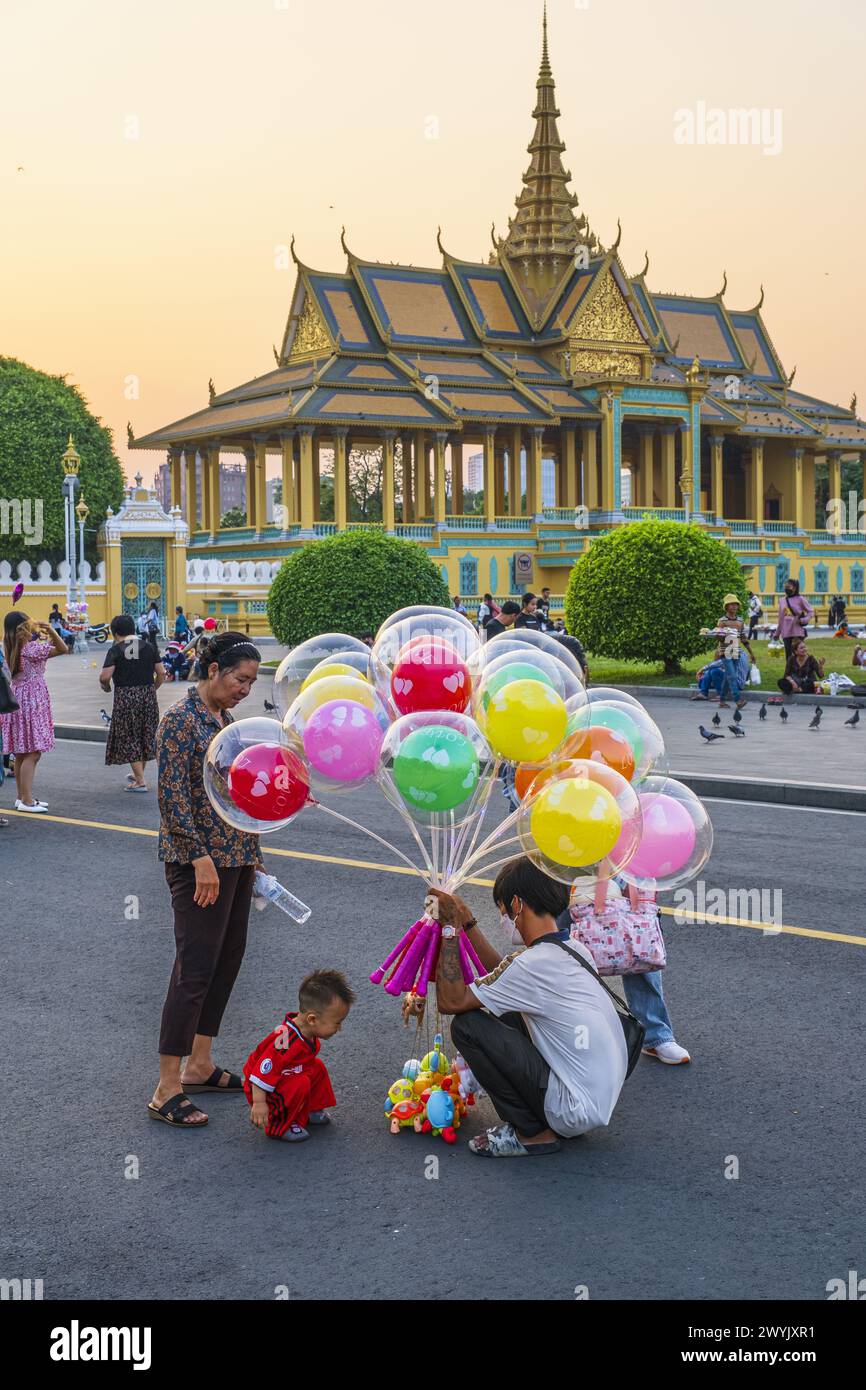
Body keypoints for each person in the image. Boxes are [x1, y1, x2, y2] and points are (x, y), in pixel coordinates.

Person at [434, 857, 628, 1158]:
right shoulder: (573, 948)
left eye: (503, 911)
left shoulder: (532, 966)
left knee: (467, 1026)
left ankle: (531, 1132)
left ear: (516, 904)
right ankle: (543, 1118)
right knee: (507, 1008)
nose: (504, 920)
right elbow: (506, 975)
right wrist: (469, 924)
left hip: (571, 1109)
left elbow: (451, 1002)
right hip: (596, 1100)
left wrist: (449, 930)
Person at [148, 631, 264, 1128]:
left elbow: (238, 794)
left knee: (226, 960)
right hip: (199, 863)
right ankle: (166, 1087)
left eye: (252, 682)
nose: (245, 689)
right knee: (194, 968)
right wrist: (199, 859)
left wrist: (254, 853)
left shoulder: (226, 720)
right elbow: (173, 797)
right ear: (213, 669)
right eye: (240, 678)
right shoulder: (179, 721)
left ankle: (200, 1063)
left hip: (235, 856)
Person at [244, 970, 355, 1142]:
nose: (339, 1028)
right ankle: (279, 1125)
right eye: (337, 1022)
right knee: (300, 1083)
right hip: (263, 1088)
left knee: (317, 1067)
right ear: (312, 1019)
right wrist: (259, 1103)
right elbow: (261, 1072)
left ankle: (310, 1108)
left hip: (285, 1075)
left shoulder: (307, 1031)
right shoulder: (285, 1041)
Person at [1, 611, 67, 812]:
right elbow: (63, 649)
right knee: (33, 752)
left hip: (18, 698)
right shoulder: (31, 649)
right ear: (23, 628)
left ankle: (21, 797)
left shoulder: (10, 646)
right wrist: (51, 630)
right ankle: (27, 801)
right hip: (32, 701)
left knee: (22, 752)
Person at [99, 615, 166, 791]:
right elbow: (161, 673)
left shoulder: (116, 650)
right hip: (148, 696)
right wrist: (153, 688)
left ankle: (140, 782)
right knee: (145, 733)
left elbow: (105, 676)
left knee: (130, 736)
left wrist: (105, 686)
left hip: (126, 697)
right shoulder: (149, 647)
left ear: (114, 632)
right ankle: (139, 774)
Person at [773, 579, 814, 660]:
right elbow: (781, 619)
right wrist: (777, 633)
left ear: (794, 588)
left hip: (797, 632)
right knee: (789, 656)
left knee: (799, 654)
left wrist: (804, 620)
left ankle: (801, 671)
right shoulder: (782, 601)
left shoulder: (800, 599)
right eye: (785, 587)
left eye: (788, 587)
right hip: (786, 633)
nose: (786, 589)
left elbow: (810, 611)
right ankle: (789, 672)